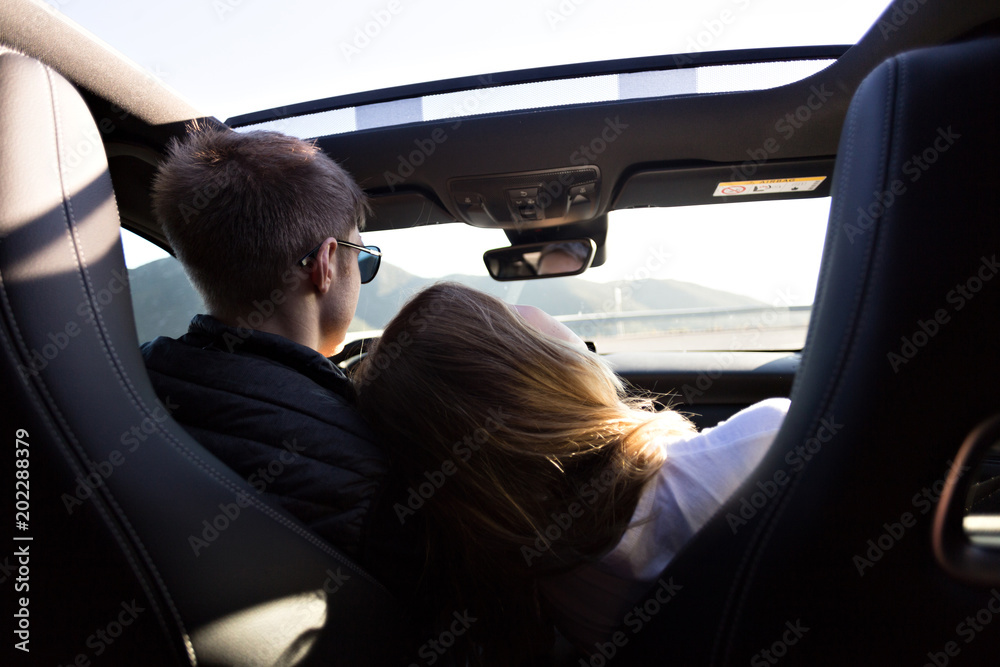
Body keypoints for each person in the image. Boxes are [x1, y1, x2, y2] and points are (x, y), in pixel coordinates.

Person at [353, 281, 789, 663]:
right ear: (527, 364)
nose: (526, 310)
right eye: (507, 316)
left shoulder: (544, 589)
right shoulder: (767, 441)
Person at [141, 124, 421, 600]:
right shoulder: (381, 462)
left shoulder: (127, 382)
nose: (361, 273)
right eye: (363, 257)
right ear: (326, 264)